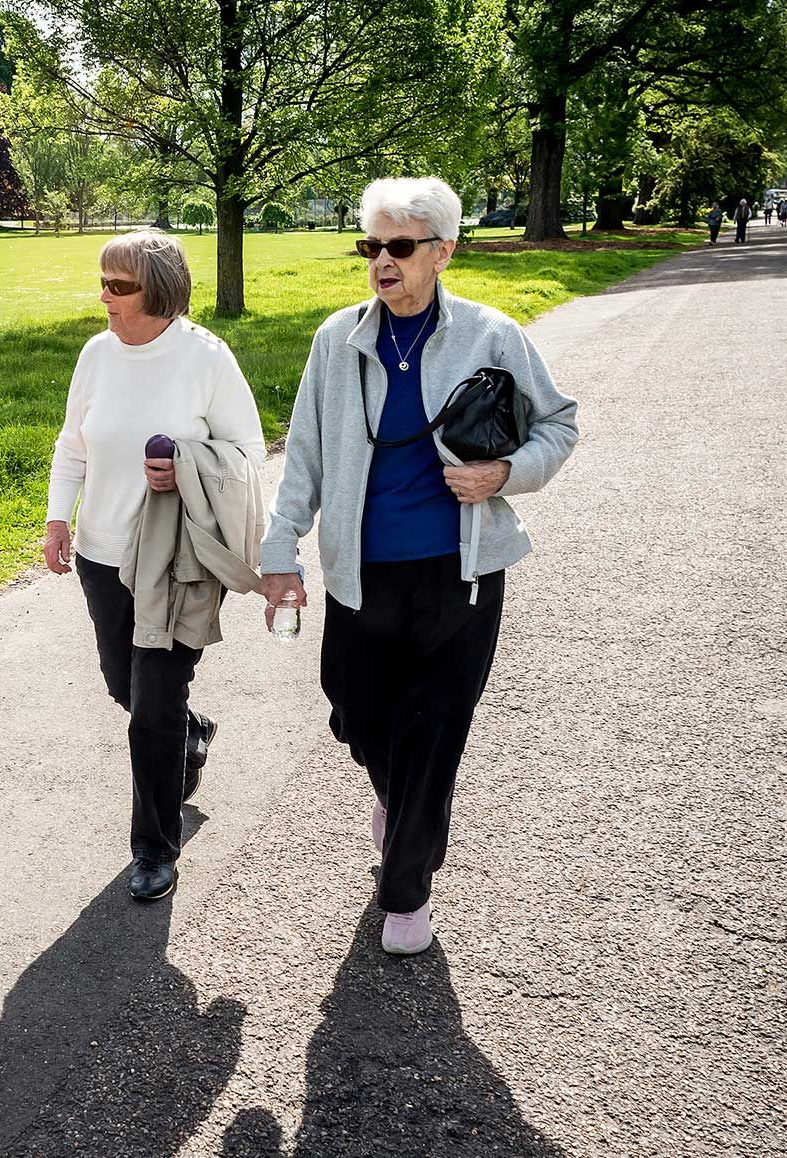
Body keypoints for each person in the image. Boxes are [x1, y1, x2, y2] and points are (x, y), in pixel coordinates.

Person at [261, 177, 579, 955]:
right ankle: (399, 802)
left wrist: (504, 476)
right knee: (356, 710)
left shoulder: (491, 334)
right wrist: (281, 551)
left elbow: (559, 424)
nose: (382, 262)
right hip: (361, 574)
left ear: (444, 251)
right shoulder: (337, 339)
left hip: (460, 573)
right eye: (372, 246)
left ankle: (406, 893)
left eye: (400, 247)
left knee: (435, 732)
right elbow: (303, 452)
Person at [44, 230, 265, 902]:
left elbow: (249, 453)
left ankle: (154, 850)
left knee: (149, 712)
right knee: (126, 687)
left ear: (159, 292)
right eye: (102, 282)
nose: (104, 296)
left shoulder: (205, 357)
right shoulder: (96, 353)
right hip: (101, 554)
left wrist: (186, 467)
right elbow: (73, 443)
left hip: (177, 561)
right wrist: (59, 516)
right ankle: (190, 732)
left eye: (119, 285)